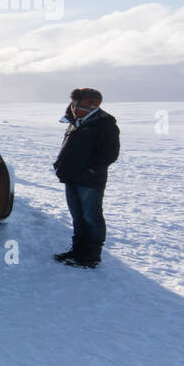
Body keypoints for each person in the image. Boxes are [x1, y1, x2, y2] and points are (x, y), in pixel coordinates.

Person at [52, 88, 120, 269]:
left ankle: (91, 256)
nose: (73, 108)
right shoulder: (75, 122)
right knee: (77, 217)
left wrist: (90, 171)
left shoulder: (105, 125)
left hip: (90, 181)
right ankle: (77, 251)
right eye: (73, 103)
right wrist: (60, 166)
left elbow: (110, 154)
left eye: (78, 104)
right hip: (71, 177)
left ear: (93, 105)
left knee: (91, 216)